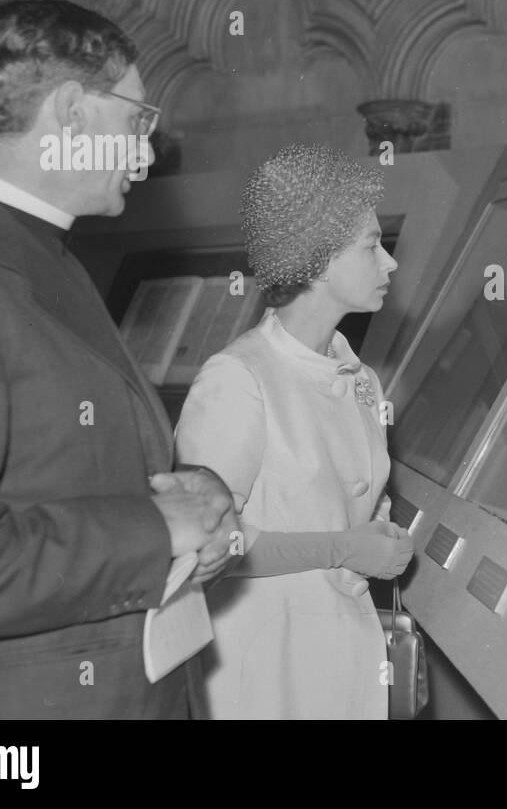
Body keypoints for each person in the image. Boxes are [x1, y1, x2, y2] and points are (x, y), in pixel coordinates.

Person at [0, 0, 238, 719]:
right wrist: (154, 531)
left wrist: (194, 494)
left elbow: (63, 464)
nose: (147, 150)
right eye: (138, 119)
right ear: (73, 110)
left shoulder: (29, 250)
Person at [175, 143, 413, 719]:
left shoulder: (361, 378)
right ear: (318, 259)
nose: (390, 263)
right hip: (265, 664)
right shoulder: (237, 379)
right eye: (371, 246)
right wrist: (343, 548)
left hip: (341, 647)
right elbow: (206, 545)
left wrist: (375, 534)